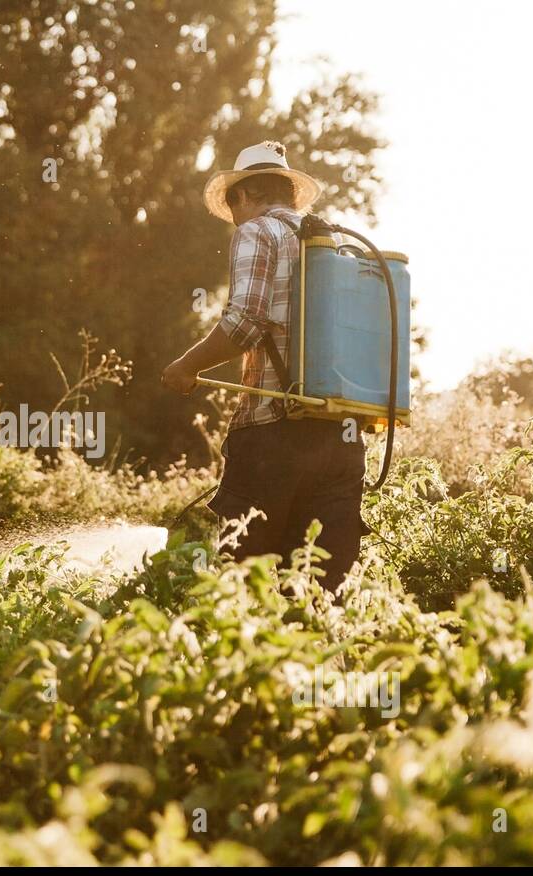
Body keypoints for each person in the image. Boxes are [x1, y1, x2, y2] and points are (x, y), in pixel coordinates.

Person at [160, 140, 366, 591]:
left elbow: (245, 322)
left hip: (273, 434)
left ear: (244, 195)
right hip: (341, 439)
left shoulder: (258, 231)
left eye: (234, 202)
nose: (233, 214)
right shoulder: (336, 247)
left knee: (241, 585)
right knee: (320, 590)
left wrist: (186, 365)